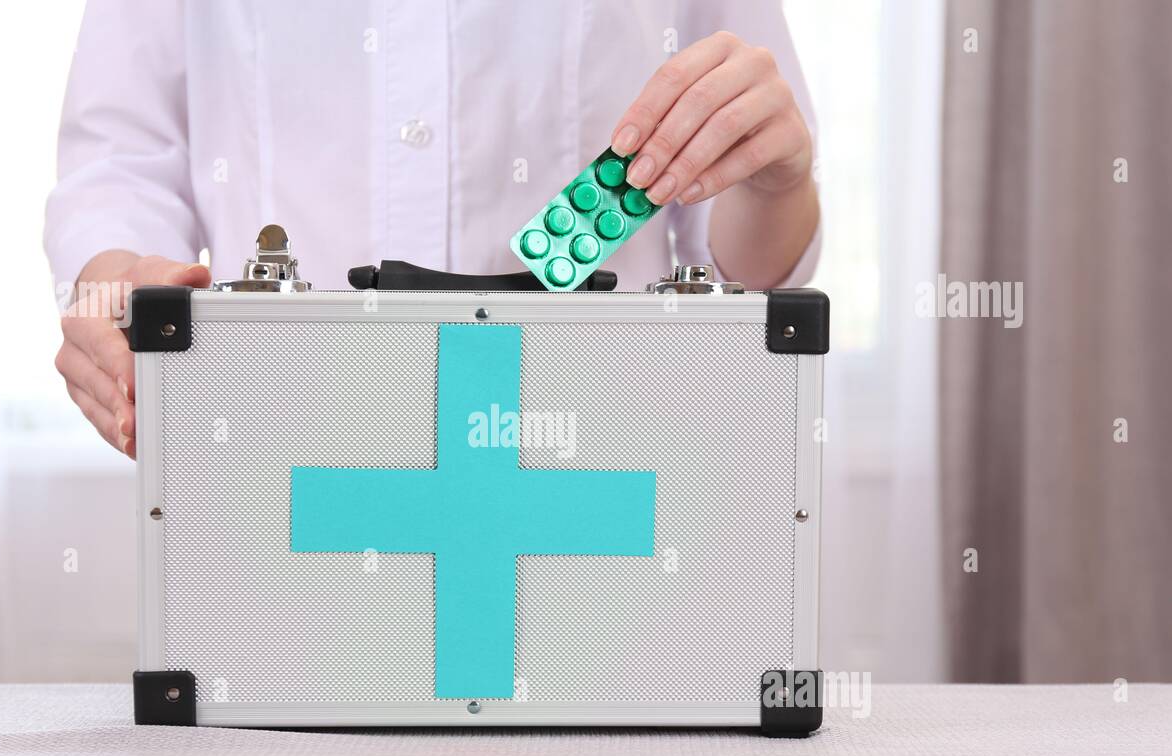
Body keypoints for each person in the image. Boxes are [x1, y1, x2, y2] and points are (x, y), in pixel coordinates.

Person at [47, 0, 820, 458]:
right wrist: (115, 286)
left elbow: (745, 270)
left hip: (593, 453)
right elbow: (119, 160)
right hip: (277, 447)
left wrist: (774, 182)